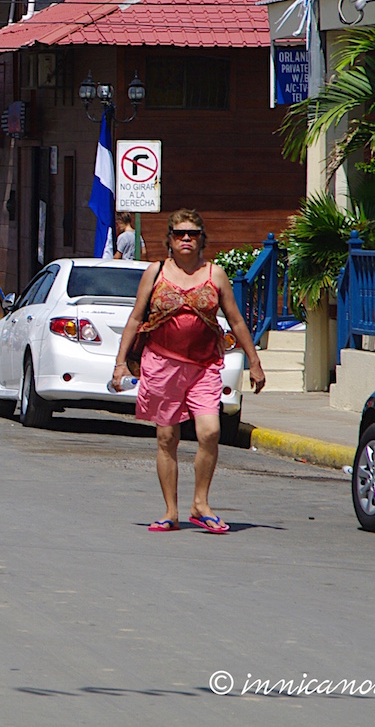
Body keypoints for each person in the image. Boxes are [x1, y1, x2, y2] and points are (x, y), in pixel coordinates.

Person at [112, 210, 267, 533]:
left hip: (204, 366)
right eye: (180, 233)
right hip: (161, 364)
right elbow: (136, 319)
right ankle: (171, 511)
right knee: (167, 436)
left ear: (201, 239)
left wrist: (254, 361)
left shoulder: (215, 274)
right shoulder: (155, 273)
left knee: (210, 431)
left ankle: (200, 504)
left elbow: (236, 320)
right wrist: (119, 363)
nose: (187, 238)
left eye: (193, 234)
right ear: (169, 238)